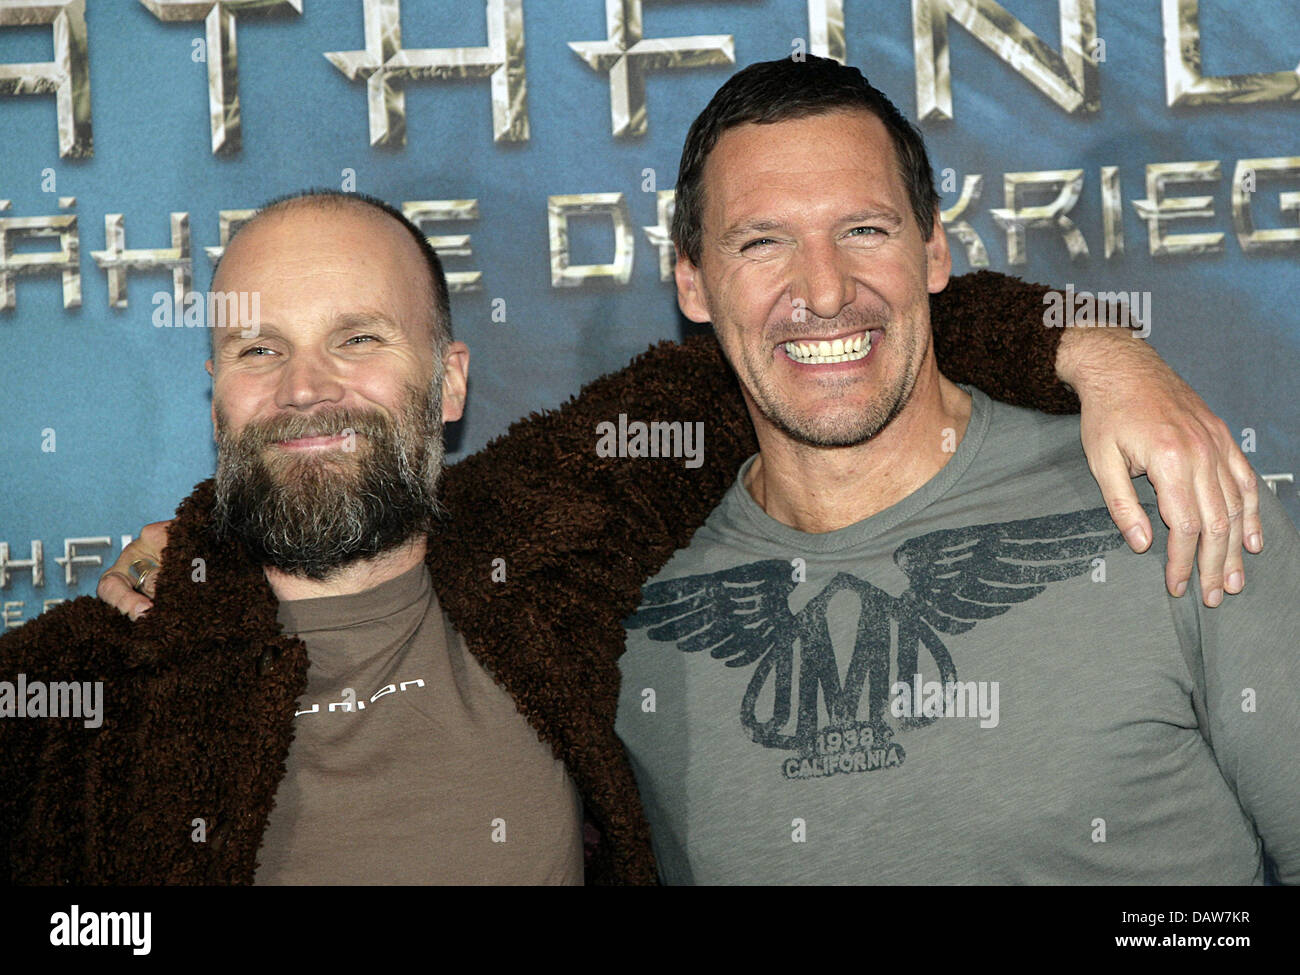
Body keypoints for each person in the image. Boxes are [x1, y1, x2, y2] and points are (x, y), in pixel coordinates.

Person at [72, 66, 1270, 885]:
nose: (822, 288)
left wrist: (1094, 343)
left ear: (936, 253)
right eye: (760, 243)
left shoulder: (1175, 496)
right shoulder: (605, 584)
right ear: (692, 287)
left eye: (863, 230)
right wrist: (206, 547)